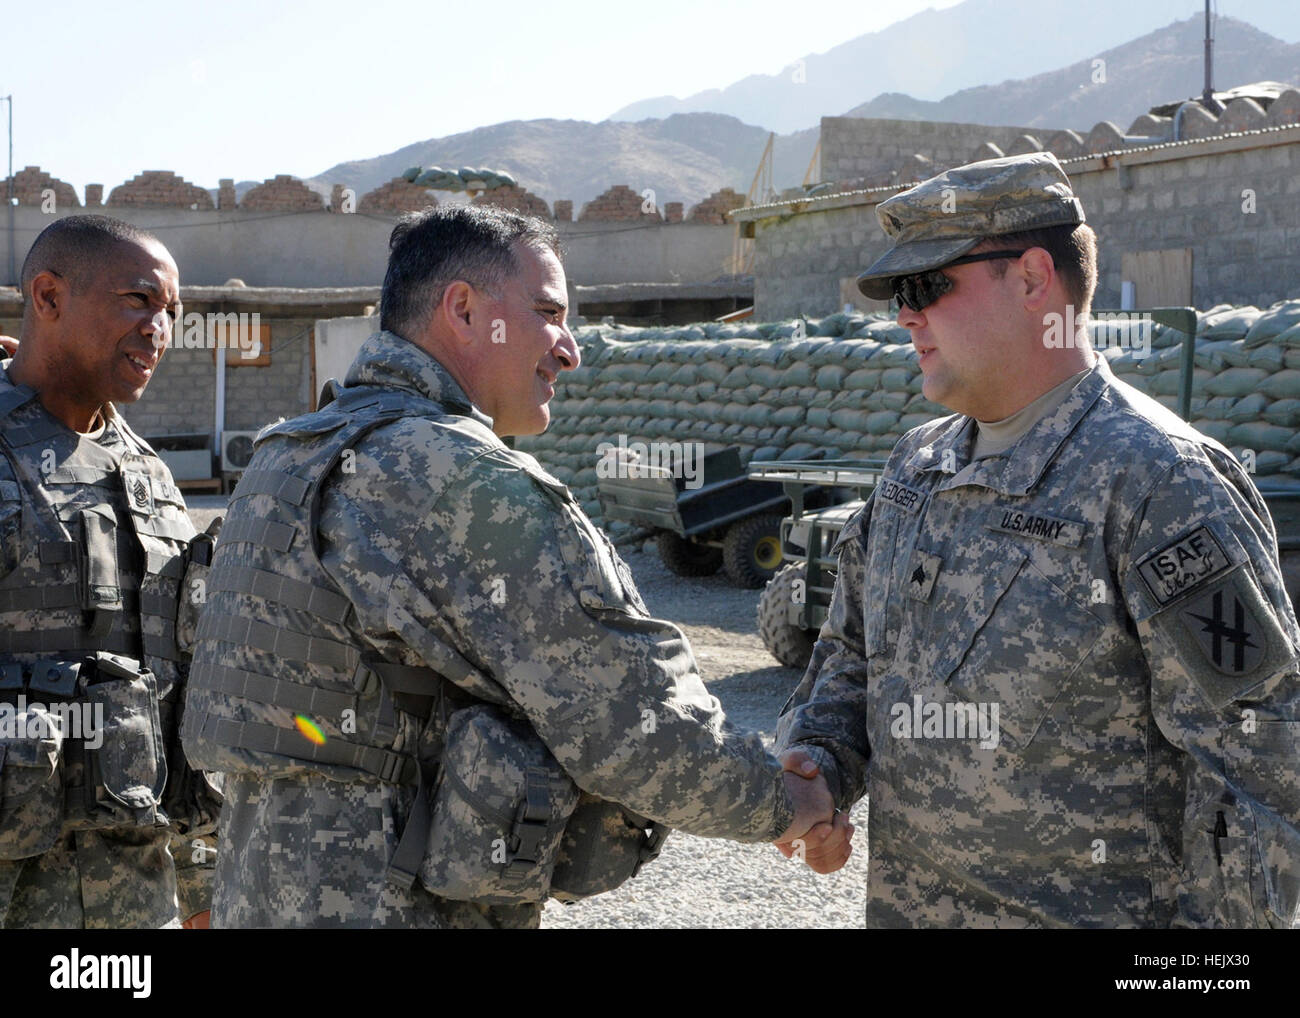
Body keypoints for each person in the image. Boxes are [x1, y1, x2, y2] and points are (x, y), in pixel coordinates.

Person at [182, 203, 850, 929]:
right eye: (548, 312)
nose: (570, 349)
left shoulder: (283, 456)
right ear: (463, 310)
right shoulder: (453, 476)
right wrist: (793, 803)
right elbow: (632, 719)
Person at [776, 151, 1300, 928]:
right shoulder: (916, 467)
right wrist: (820, 770)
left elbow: (1260, 769)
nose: (903, 316)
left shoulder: (1159, 483)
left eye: (925, 287)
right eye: (898, 296)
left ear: (1030, 279)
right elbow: (851, 659)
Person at [0, 215, 221, 928]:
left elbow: (174, 697)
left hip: (133, 898)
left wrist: (198, 890)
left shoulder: (151, 480)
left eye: (170, 312)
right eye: (138, 299)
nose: (161, 327)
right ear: (48, 296)